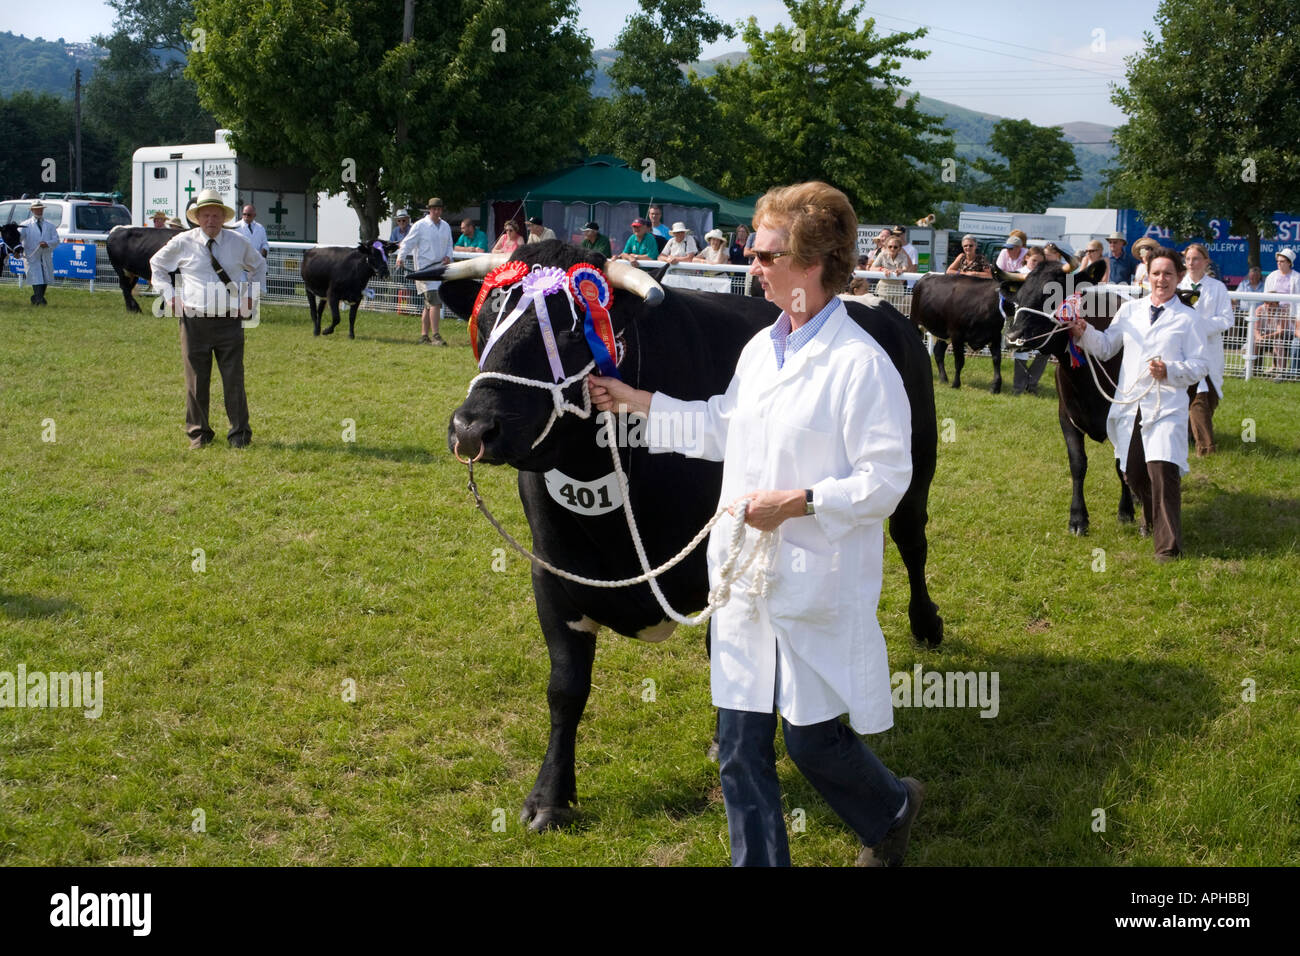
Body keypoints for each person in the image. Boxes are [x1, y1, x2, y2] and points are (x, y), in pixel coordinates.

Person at [587, 180, 923, 867]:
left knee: (810, 741)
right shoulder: (758, 351)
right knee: (740, 749)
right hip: (743, 581)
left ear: (814, 262)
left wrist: (798, 502)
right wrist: (637, 401)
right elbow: (723, 426)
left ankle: (891, 811)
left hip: (811, 584)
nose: (754, 266)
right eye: (754, 252)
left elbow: (887, 479)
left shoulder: (861, 366)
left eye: (768, 254)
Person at [1068, 247, 1208, 561]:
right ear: (1147, 275)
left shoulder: (1188, 318)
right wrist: (1084, 332)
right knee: (1132, 472)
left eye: (1168, 274)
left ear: (1179, 277)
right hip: (1130, 405)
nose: (1161, 279)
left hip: (1165, 405)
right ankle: (1151, 515)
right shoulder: (1130, 311)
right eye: (1156, 273)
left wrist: (1170, 370)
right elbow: (1105, 348)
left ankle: (1168, 547)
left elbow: (1200, 365)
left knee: (1162, 470)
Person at [150, 188, 266, 450]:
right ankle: (199, 435)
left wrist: (250, 299)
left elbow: (259, 266)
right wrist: (169, 296)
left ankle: (239, 436)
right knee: (195, 382)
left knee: (233, 380)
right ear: (197, 218)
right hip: (194, 322)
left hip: (229, 322)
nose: (211, 220)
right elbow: (156, 265)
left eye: (215, 215)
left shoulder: (239, 243)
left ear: (223, 218)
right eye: (205, 215)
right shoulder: (183, 241)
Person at [1179, 243, 1233, 456]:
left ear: (1206, 261)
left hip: (1209, 350)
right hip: (1183, 351)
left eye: (1196, 259)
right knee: (1198, 396)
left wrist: (1201, 326)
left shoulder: (1217, 288)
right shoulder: (1177, 284)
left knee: (1209, 399)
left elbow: (1227, 319)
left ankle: (1190, 435)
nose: (1191, 263)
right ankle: (1206, 448)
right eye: (1188, 259)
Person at [398, 197, 454, 345]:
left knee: (429, 305)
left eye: (439, 209)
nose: (437, 211)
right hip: (424, 271)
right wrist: (401, 257)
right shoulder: (420, 226)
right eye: (434, 209)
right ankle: (435, 335)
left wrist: (448, 256)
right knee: (435, 302)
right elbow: (407, 243)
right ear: (429, 209)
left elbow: (449, 244)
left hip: (439, 269)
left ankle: (424, 336)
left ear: (441, 210)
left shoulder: (446, 226)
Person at [1256, 248, 1299, 379]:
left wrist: (1295, 318)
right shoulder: (1272, 276)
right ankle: (1256, 369)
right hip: (1273, 316)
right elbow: (1266, 297)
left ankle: (1282, 370)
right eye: (1278, 261)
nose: (1279, 263)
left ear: (1289, 263)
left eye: (1282, 261)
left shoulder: (1297, 278)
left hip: (1292, 318)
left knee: (1281, 339)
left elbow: (1297, 301)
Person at [18, 199, 59, 306]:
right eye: (36, 209)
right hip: (32, 256)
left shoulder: (50, 225)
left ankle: (37, 298)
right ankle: (40, 299)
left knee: (45, 277)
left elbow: (56, 240)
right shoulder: (25, 225)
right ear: (32, 210)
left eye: (40, 209)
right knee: (36, 277)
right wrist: (17, 251)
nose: (39, 211)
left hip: (45, 255)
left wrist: (47, 243)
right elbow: (17, 239)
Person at [871, 234, 912, 307]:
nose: (892, 249)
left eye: (895, 247)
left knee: (897, 311)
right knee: (884, 311)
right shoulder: (882, 255)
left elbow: (905, 267)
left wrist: (901, 270)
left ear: (899, 248)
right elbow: (872, 268)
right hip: (884, 287)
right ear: (886, 247)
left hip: (898, 288)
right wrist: (882, 269)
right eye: (890, 246)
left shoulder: (903, 256)